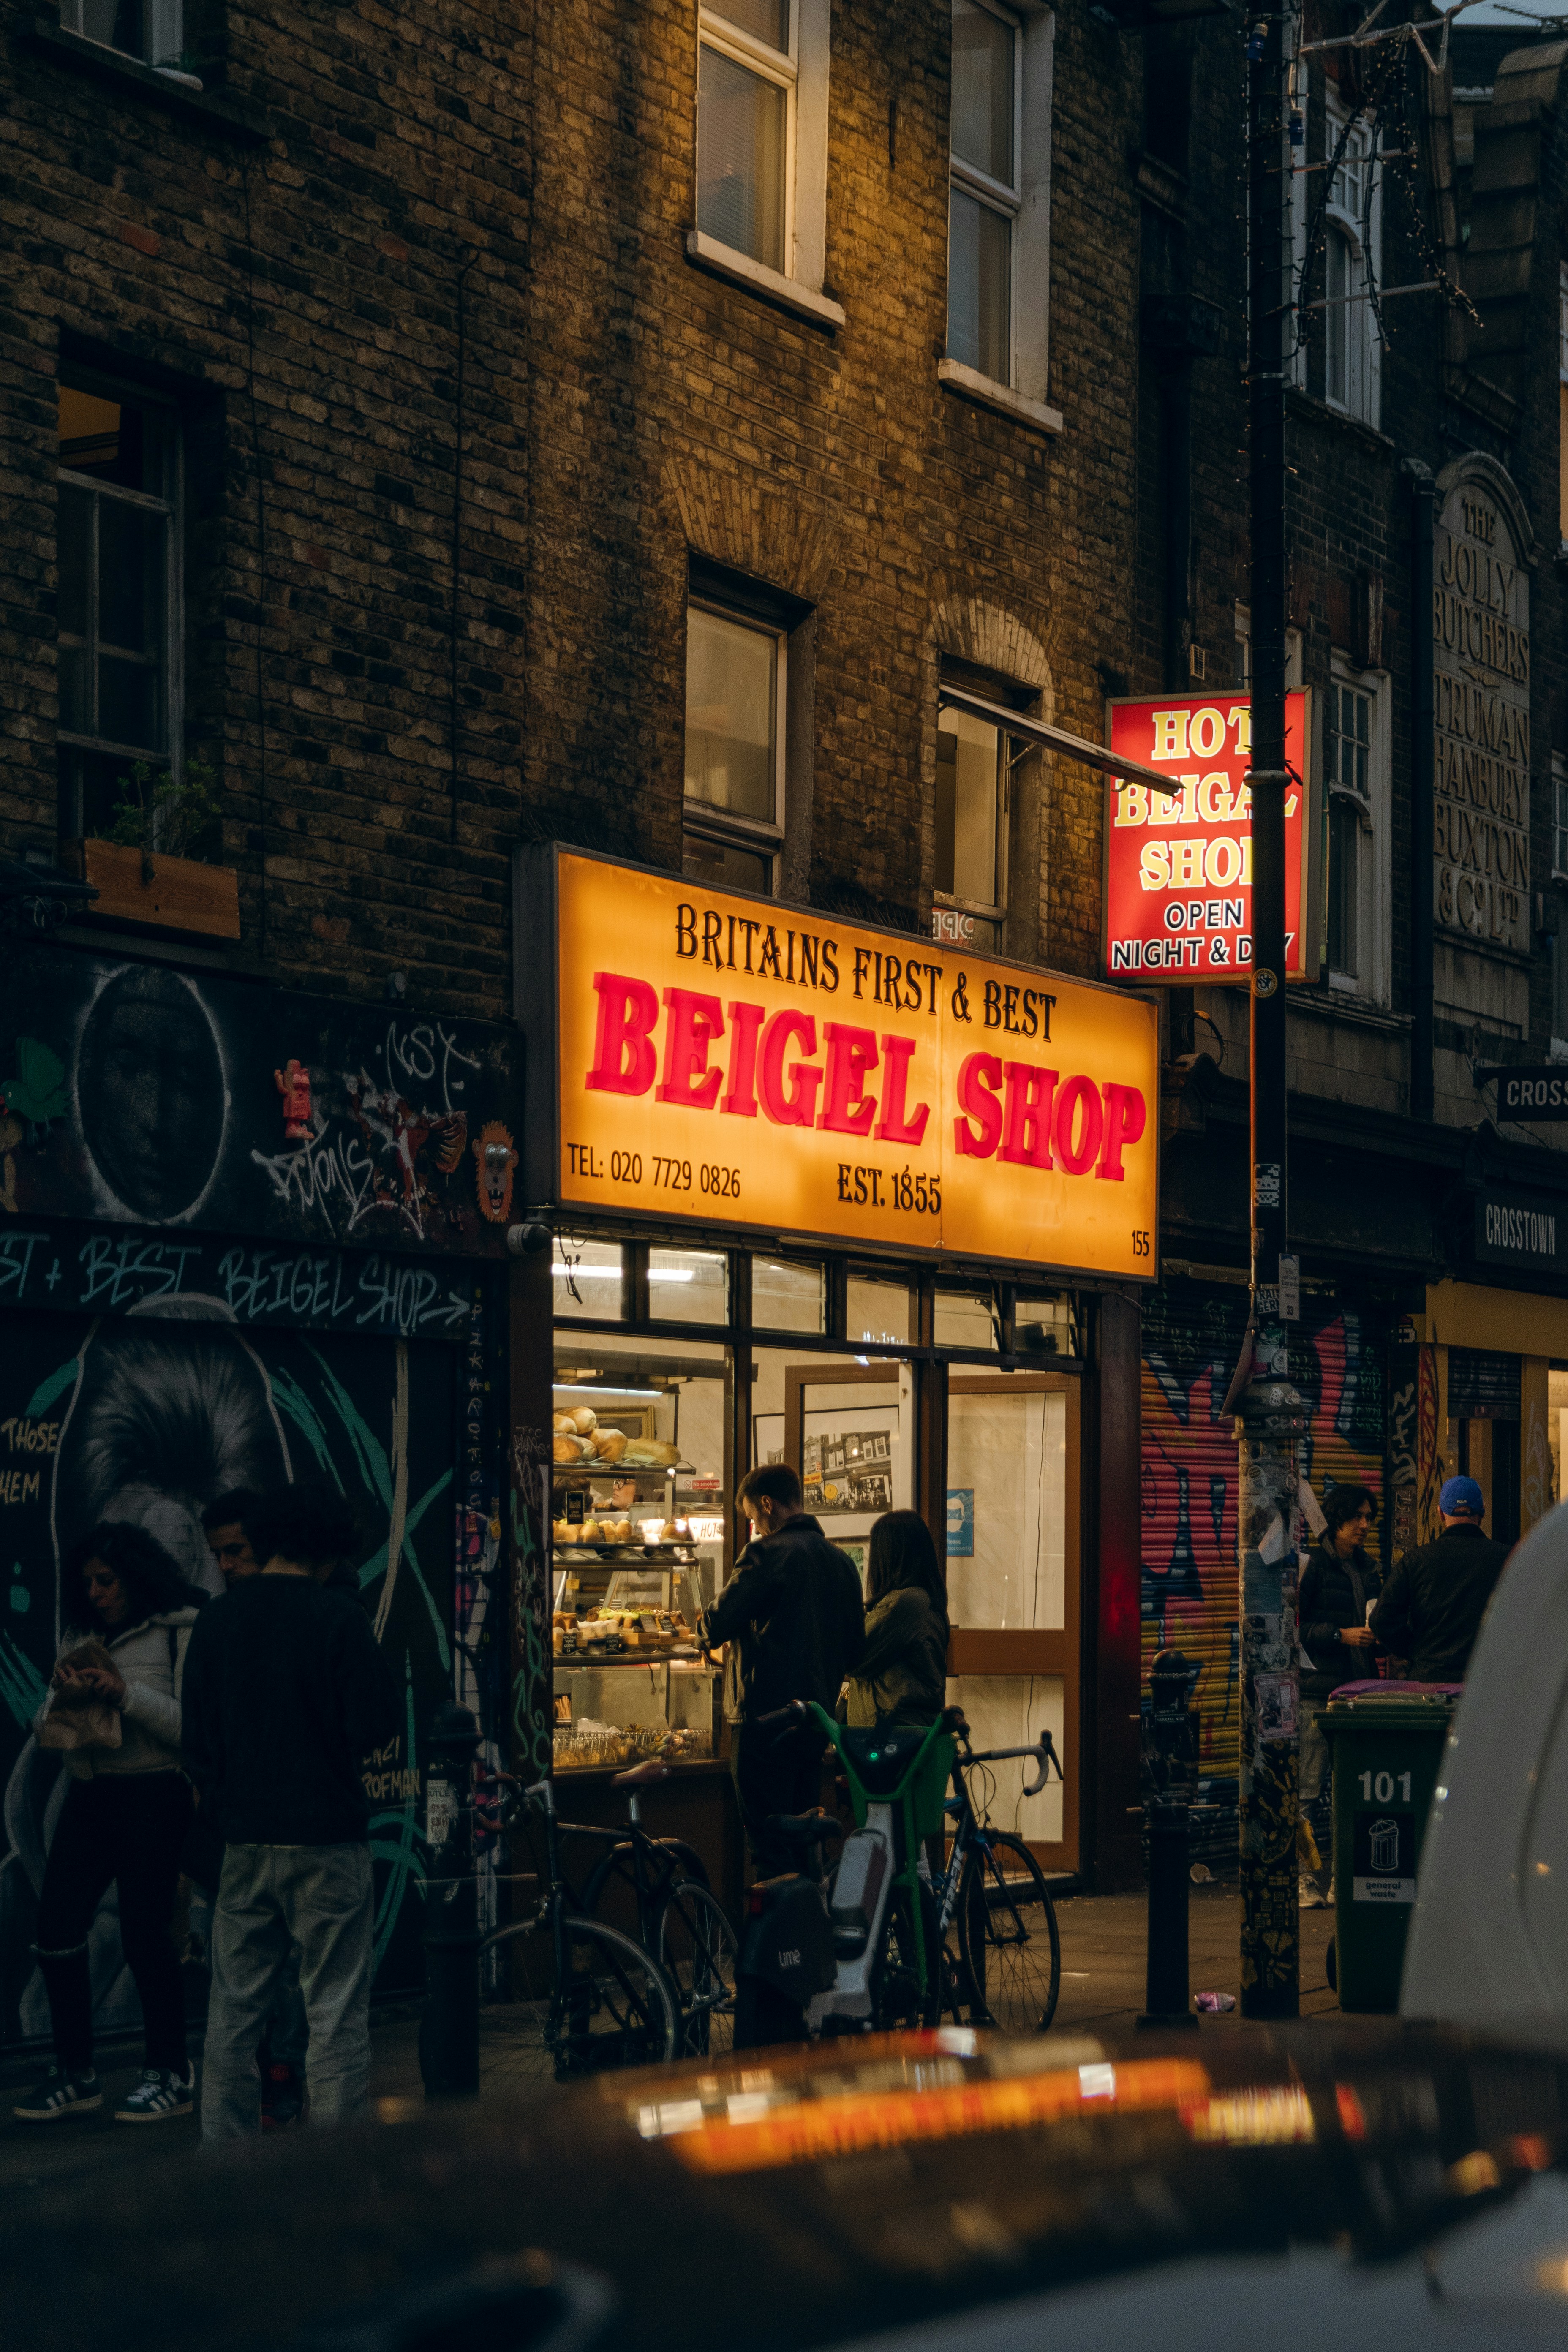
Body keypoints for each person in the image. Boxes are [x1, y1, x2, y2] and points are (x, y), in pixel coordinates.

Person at [182, 1486, 399, 2139]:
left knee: (233, 2012)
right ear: (331, 1551)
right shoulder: (338, 1617)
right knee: (334, 2012)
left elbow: (197, 1741)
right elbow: (375, 1724)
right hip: (327, 1837)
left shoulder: (218, 1620)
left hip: (244, 1840)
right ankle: (334, 2168)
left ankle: (226, 2161)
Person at [14, 1523, 206, 2125]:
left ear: (136, 1576)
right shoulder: (84, 1634)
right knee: (57, 1928)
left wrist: (124, 1694)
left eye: (108, 1580)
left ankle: (170, 2071)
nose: (97, 1592)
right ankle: (77, 2071)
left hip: (156, 1793)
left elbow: (192, 1729)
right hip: (91, 1792)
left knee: (145, 1935)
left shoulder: (181, 1629)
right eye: (88, 1583)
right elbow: (47, 1730)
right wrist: (61, 1697)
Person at [193, 1486, 310, 2129]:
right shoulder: (226, 1620)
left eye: (235, 1551)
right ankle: (291, 2098)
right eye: (218, 1555)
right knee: (290, 1987)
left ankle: (254, 2109)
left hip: (251, 1827)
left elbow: (198, 1735)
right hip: (266, 1828)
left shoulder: (227, 1622)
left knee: (250, 1991)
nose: (227, 1567)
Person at [699, 1462, 864, 1880]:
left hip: (764, 1724)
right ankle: (808, 1938)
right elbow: (855, 1653)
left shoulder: (765, 1554)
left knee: (769, 1850)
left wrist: (700, 1631)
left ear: (767, 1504)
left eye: (753, 1517)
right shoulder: (842, 1564)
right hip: (814, 1726)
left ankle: (776, 1943)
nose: (755, 1526)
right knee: (805, 1840)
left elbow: (715, 1624)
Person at [1296, 1484, 1381, 1908]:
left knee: (1348, 1792)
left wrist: (1376, 1637)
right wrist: (1339, 1635)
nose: (1363, 1526)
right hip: (1317, 1692)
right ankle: (1304, 1880)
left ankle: (1340, 1881)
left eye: (1368, 1518)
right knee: (1308, 1790)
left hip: (1357, 1693)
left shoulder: (1368, 1570)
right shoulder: (1312, 1566)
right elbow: (1295, 1628)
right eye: (1355, 1518)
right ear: (1336, 1520)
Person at [1370, 1474, 1511, 1684]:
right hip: (1489, 1683)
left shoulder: (1416, 1561)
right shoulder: (1507, 1559)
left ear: (1440, 1514)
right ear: (1482, 1511)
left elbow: (1381, 1620)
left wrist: (1417, 1651)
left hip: (1430, 1680)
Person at [842, 1510, 949, 1730]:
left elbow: (855, 1658)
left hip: (893, 1734)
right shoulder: (925, 1599)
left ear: (888, 1555)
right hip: (907, 1730)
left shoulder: (905, 1604)